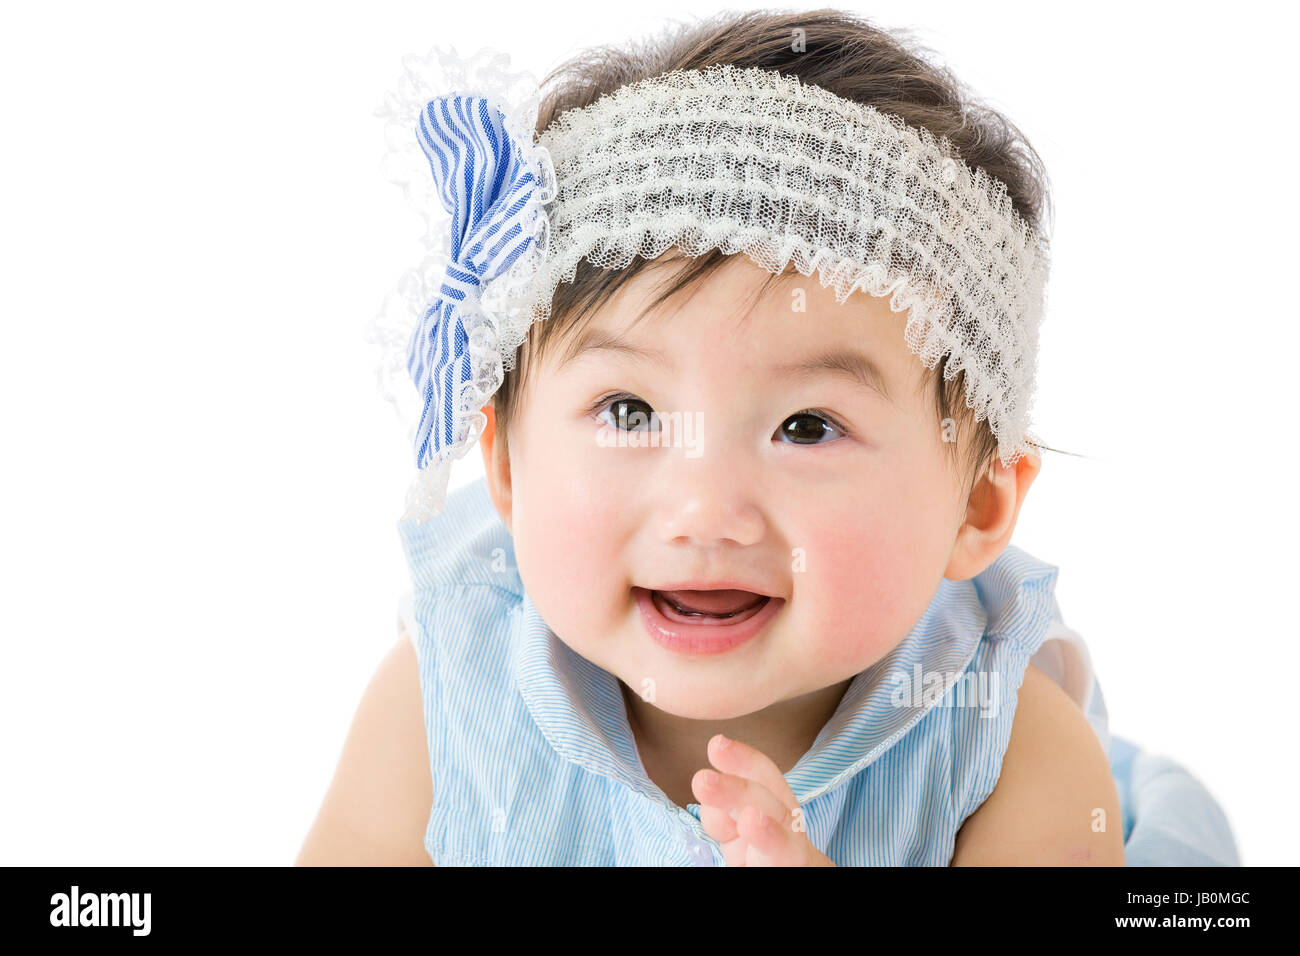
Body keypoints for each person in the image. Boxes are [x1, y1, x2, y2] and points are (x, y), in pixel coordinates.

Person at [296, 9, 1236, 866]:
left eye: (807, 426)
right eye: (629, 413)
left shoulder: (1003, 743)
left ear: (976, 504)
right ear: (503, 462)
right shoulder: (444, 703)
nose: (705, 508)